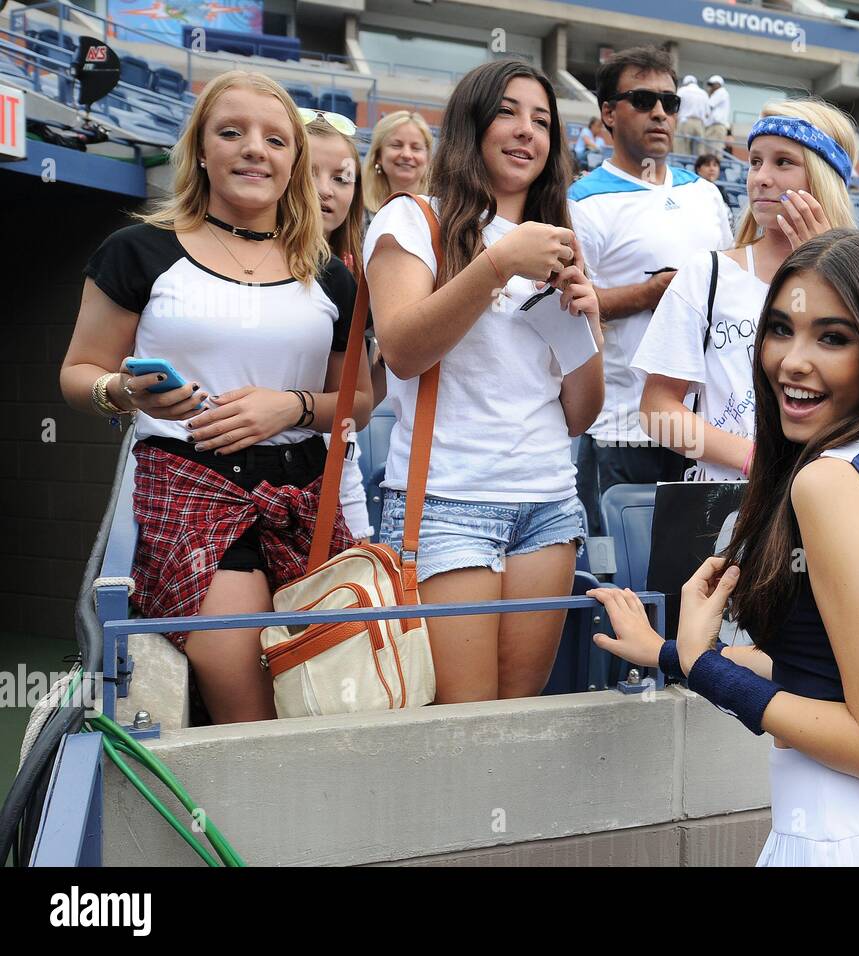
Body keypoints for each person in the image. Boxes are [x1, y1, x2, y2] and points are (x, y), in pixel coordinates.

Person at [588, 230, 859, 867]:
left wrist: (704, 667)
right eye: (780, 329)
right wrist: (670, 653)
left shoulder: (829, 483)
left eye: (833, 337)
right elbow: (825, 676)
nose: (792, 361)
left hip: (854, 838)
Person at [60, 71, 370, 724]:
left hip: (306, 489)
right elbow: (80, 372)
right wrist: (124, 391)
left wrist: (290, 407)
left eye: (275, 139)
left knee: (327, 689)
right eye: (232, 132)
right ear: (201, 150)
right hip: (188, 480)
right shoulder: (137, 250)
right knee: (241, 688)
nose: (255, 148)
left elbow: (358, 401)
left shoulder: (331, 274)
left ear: (294, 162)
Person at [364, 59, 603, 704]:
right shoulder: (413, 220)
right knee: (461, 725)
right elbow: (404, 351)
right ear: (472, 124)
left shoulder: (560, 243)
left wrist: (588, 323)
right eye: (507, 111)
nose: (526, 130)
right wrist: (497, 264)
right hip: (447, 502)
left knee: (517, 720)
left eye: (543, 120)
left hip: (548, 500)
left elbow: (580, 414)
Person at [634, 99, 856, 481]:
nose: (761, 178)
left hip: (833, 495)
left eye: (783, 162)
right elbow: (657, 410)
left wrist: (828, 271)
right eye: (755, 162)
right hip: (727, 508)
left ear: (824, 177)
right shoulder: (708, 273)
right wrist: (759, 461)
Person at [568, 46, 734, 535]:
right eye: (642, 99)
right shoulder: (582, 202)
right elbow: (568, 310)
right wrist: (651, 293)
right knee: (627, 584)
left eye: (670, 101)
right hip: (625, 426)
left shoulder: (705, 195)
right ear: (608, 113)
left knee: (703, 579)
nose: (660, 112)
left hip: (707, 423)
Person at [305, 109, 378, 541]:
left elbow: (358, 405)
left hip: (339, 464)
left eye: (341, 178)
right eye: (309, 173)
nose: (323, 191)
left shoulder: (348, 277)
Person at [361, 110, 433, 213]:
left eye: (416, 148)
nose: (407, 155)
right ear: (378, 156)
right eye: (396, 145)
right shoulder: (357, 210)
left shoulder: (440, 212)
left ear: (427, 158)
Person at [675, 74, 710, 156]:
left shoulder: (682, 90)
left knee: (682, 148)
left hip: (685, 121)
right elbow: (707, 112)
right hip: (699, 124)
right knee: (699, 150)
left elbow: (676, 106)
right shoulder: (703, 93)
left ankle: (681, 167)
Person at [704, 74, 731, 159]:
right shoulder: (719, 93)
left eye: (713, 85)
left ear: (718, 84)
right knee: (711, 150)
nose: (710, 87)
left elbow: (708, 105)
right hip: (714, 126)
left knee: (714, 151)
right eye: (710, 85)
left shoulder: (721, 92)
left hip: (717, 126)